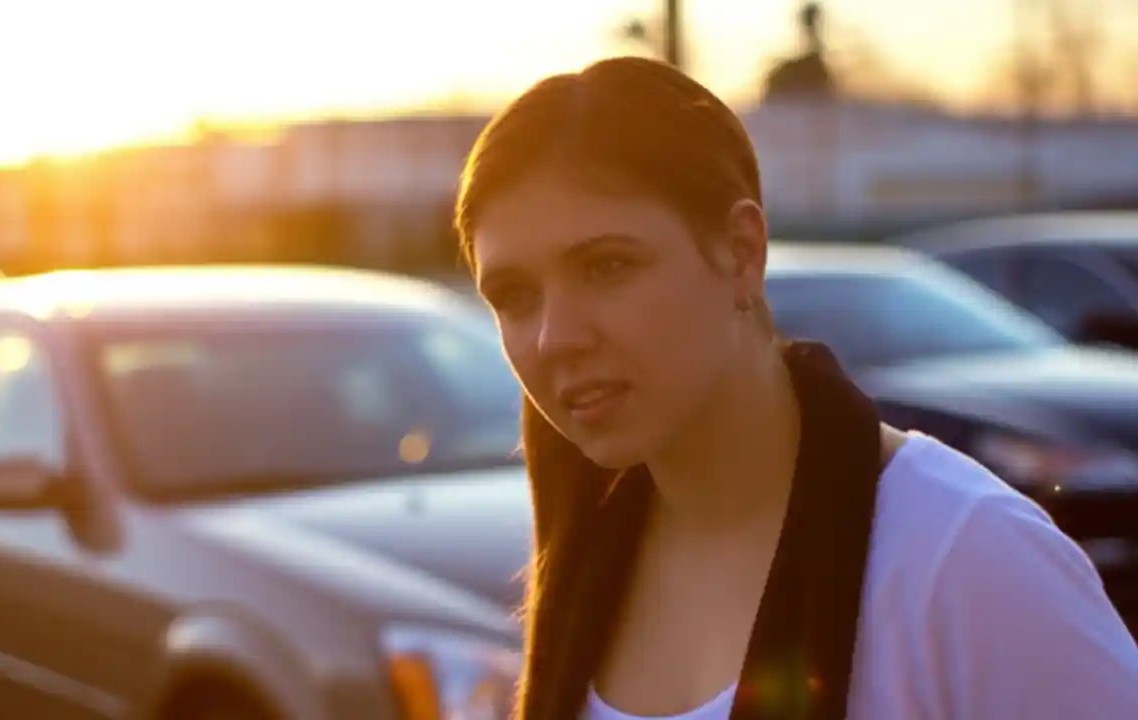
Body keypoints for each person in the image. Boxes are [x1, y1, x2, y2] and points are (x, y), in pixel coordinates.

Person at [453, 56, 1138, 720]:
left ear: (742, 252)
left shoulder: (965, 557)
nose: (555, 337)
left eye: (607, 266)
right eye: (514, 296)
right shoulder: (588, 565)